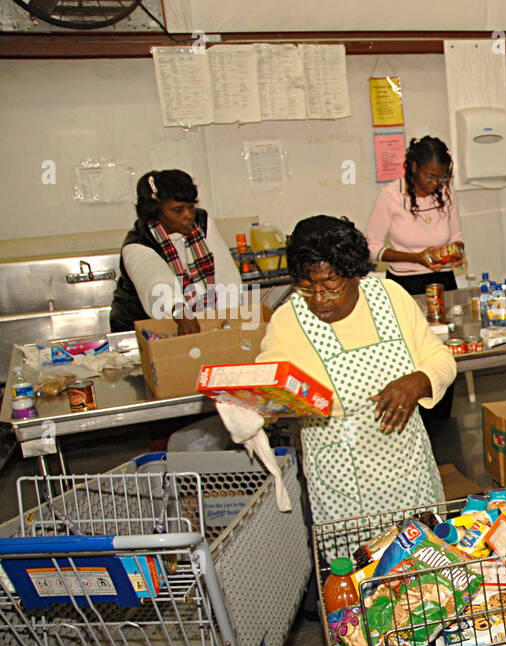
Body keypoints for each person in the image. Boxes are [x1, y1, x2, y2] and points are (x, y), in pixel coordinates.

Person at [252, 215, 455, 525]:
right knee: (355, 569)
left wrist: (418, 381)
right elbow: (264, 388)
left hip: (410, 474)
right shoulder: (288, 321)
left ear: (354, 275)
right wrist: (258, 402)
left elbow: (440, 358)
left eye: (330, 286)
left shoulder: (390, 297)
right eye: (308, 288)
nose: (319, 300)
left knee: (422, 561)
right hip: (342, 490)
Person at [364, 135, 464, 422]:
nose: (435, 183)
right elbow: (370, 247)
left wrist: (455, 253)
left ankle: (443, 418)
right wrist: (415, 258)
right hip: (405, 286)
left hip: (443, 282)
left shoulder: (446, 194)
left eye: (441, 177)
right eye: (429, 176)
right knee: (412, 353)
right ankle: (413, 415)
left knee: (444, 351)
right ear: (413, 167)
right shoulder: (392, 196)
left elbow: (456, 237)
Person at [109, 169, 241, 333]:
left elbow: (227, 277)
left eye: (191, 207)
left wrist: (227, 323)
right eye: (178, 210)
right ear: (156, 211)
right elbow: (158, 286)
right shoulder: (139, 243)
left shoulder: (202, 223)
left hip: (197, 323)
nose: (188, 215)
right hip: (141, 331)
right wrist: (181, 312)